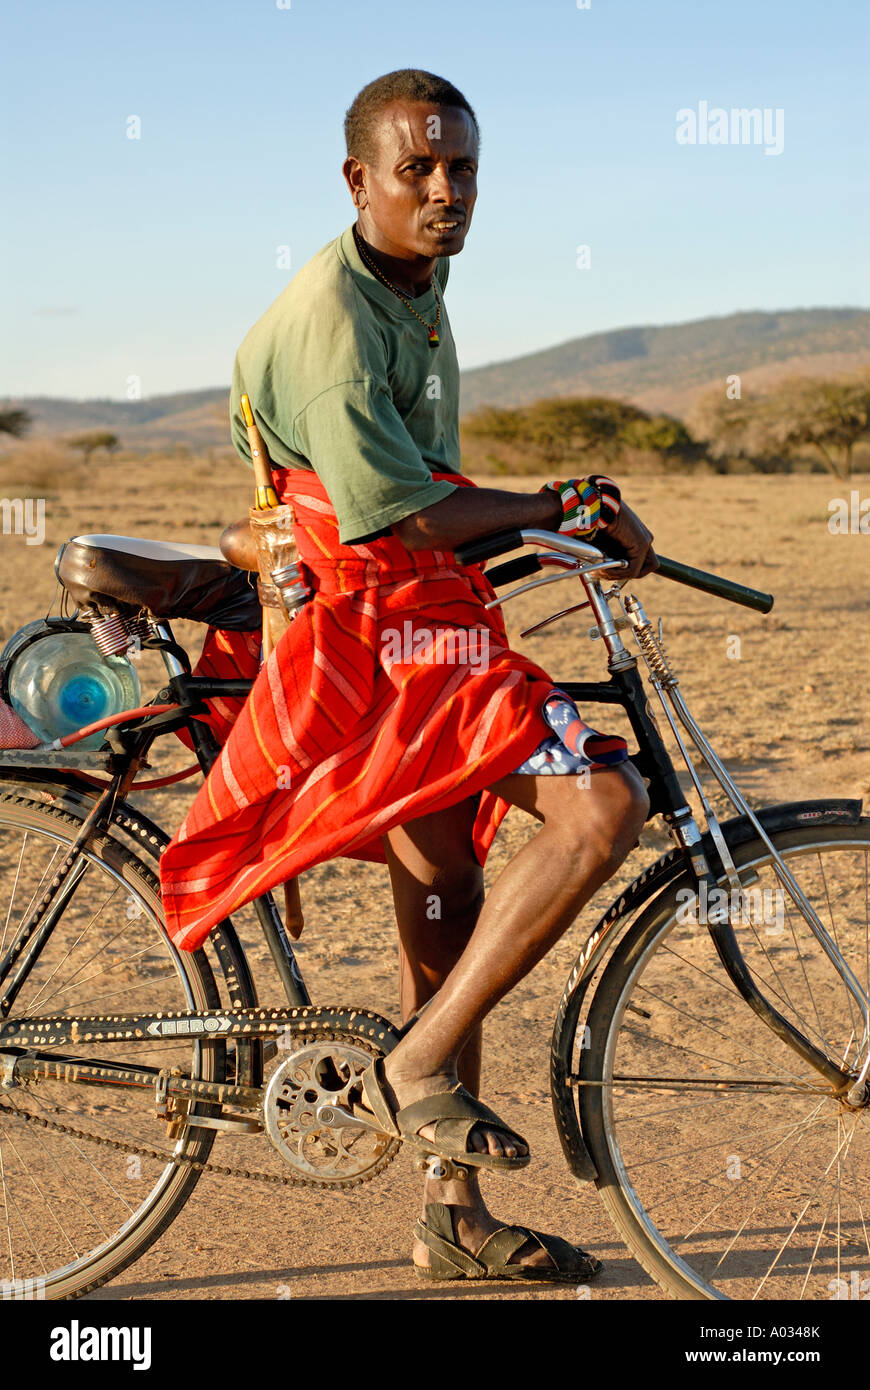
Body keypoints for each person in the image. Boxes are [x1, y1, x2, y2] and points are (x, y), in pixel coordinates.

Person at [160, 68, 657, 1285]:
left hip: (408, 614)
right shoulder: (338, 315)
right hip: (368, 629)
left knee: (446, 903)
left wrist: (543, 517)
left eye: (464, 169)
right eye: (418, 170)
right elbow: (388, 512)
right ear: (358, 182)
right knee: (601, 803)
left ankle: (451, 1215)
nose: (446, 192)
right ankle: (417, 1065)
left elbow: (419, 495)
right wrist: (560, 502)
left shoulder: (418, 283)